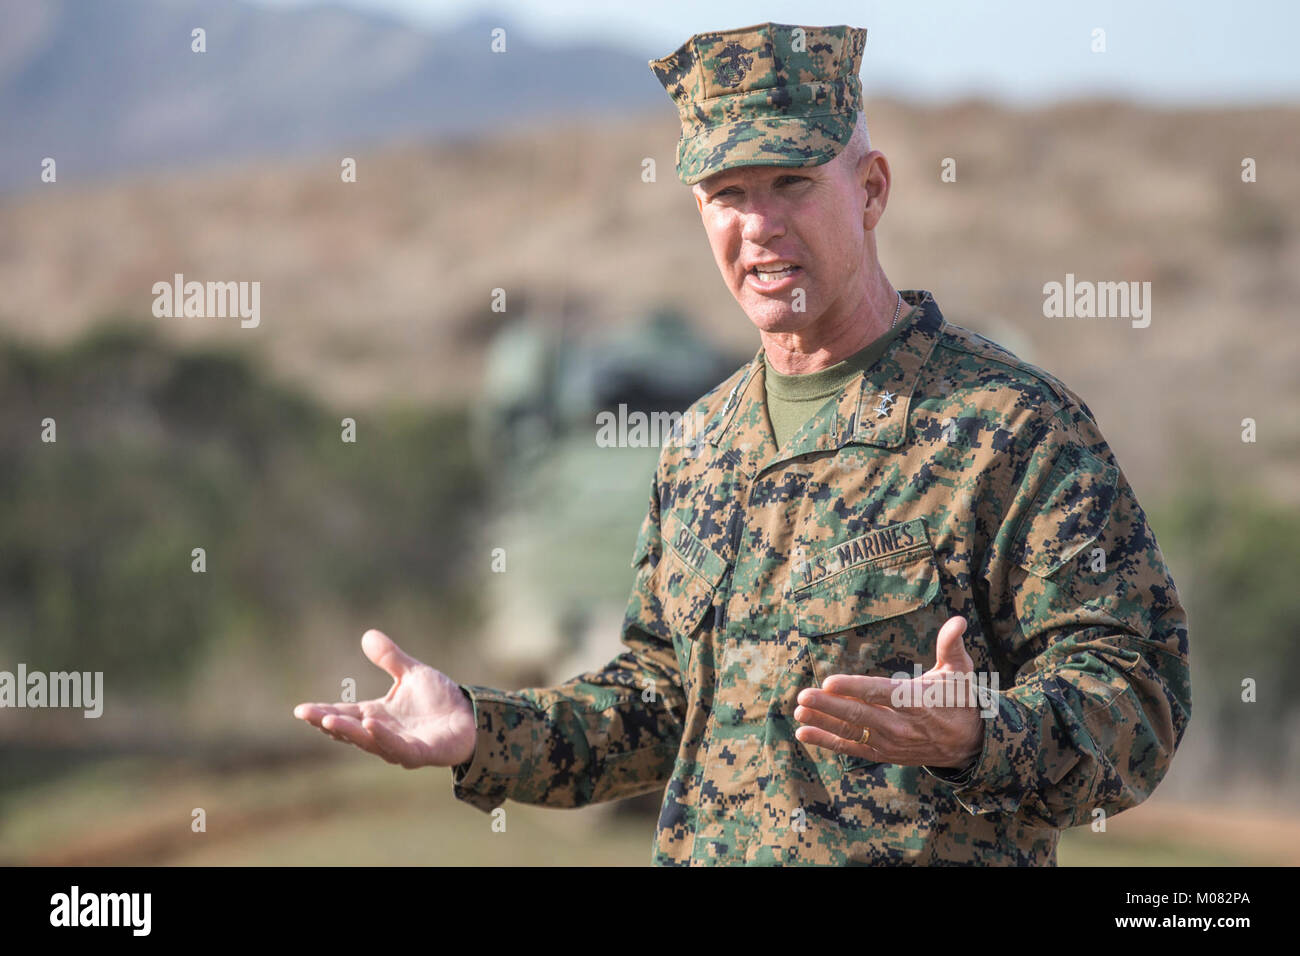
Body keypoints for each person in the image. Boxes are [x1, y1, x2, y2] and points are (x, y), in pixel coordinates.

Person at [294, 22, 1191, 865]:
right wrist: (480, 730)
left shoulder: (1007, 426)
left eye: (792, 182)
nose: (758, 224)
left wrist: (978, 731)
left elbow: (1137, 694)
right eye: (727, 193)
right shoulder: (701, 444)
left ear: (871, 189)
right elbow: (656, 704)